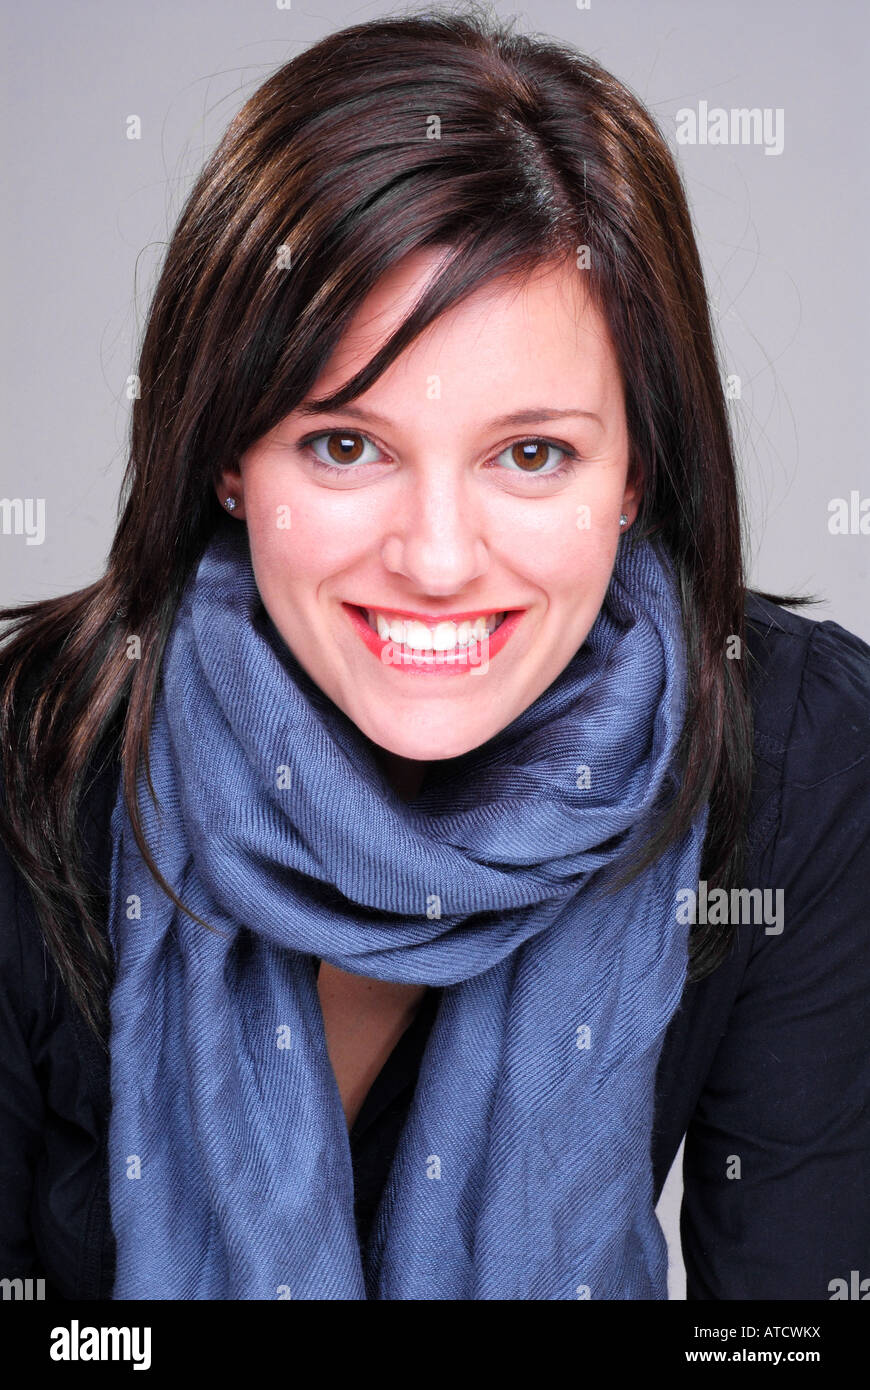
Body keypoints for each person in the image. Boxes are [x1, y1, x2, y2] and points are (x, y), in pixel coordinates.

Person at [0, 7, 867, 1301]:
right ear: (229, 455)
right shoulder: (34, 768)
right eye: (347, 444)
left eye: (532, 453)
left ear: (637, 471)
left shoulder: (791, 742)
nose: (440, 557)